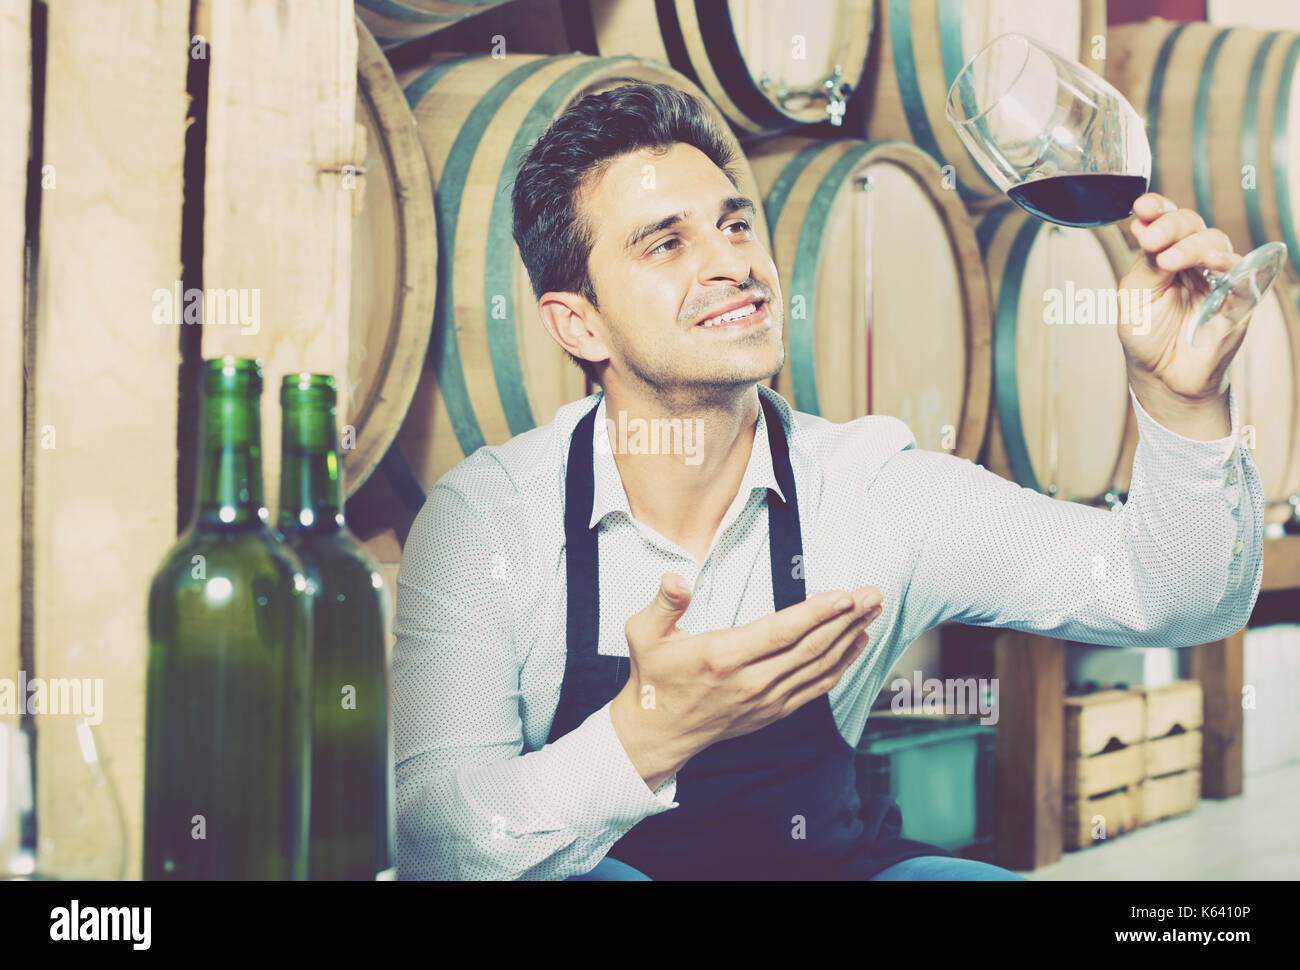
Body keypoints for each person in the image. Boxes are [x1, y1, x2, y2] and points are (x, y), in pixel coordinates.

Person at [392, 83, 1263, 881]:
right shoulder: (489, 521)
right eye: (667, 243)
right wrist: (644, 736)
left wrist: (1182, 404)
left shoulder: (870, 489)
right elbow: (434, 841)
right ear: (578, 323)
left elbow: (1172, 599)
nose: (733, 262)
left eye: (735, 225)